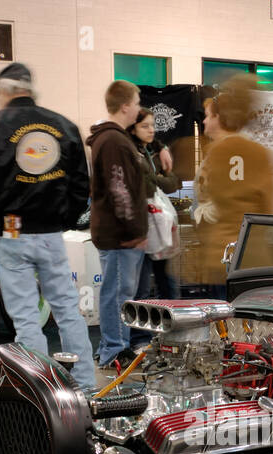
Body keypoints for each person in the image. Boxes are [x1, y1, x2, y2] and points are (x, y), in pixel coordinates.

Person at [0, 62, 95, 390]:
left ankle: (39, 388)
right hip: (51, 230)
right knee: (67, 309)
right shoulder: (64, 126)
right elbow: (81, 184)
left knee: (25, 317)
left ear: (6, 90)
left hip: (11, 229)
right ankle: (85, 383)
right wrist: (63, 219)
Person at [193, 75, 273, 297]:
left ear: (220, 117)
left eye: (208, 116)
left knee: (222, 325)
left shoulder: (216, 154)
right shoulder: (260, 153)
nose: (203, 122)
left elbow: (208, 205)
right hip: (252, 254)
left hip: (220, 254)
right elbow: (270, 209)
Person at [88, 80, 151, 366]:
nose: (138, 108)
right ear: (125, 105)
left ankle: (114, 346)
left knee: (120, 293)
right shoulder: (112, 140)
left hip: (120, 232)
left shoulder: (116, 138)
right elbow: (119, 189)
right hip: (119, 235)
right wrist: (133, 230)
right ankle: (114, 350)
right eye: (137, 102)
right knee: (116, 294)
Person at [130, 108, 182, 301]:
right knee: (141, 284)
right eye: (145, 126)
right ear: (133, 129)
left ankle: (171, 319)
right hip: (142, 222)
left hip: (160, 220)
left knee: (166, 279)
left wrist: (154, 177)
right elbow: (145, 184)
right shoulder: (132, 151)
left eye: (152, 125)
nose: (151, 130)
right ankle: (140, 329)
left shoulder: (152, 150)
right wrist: (156, 178)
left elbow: (173, 183)